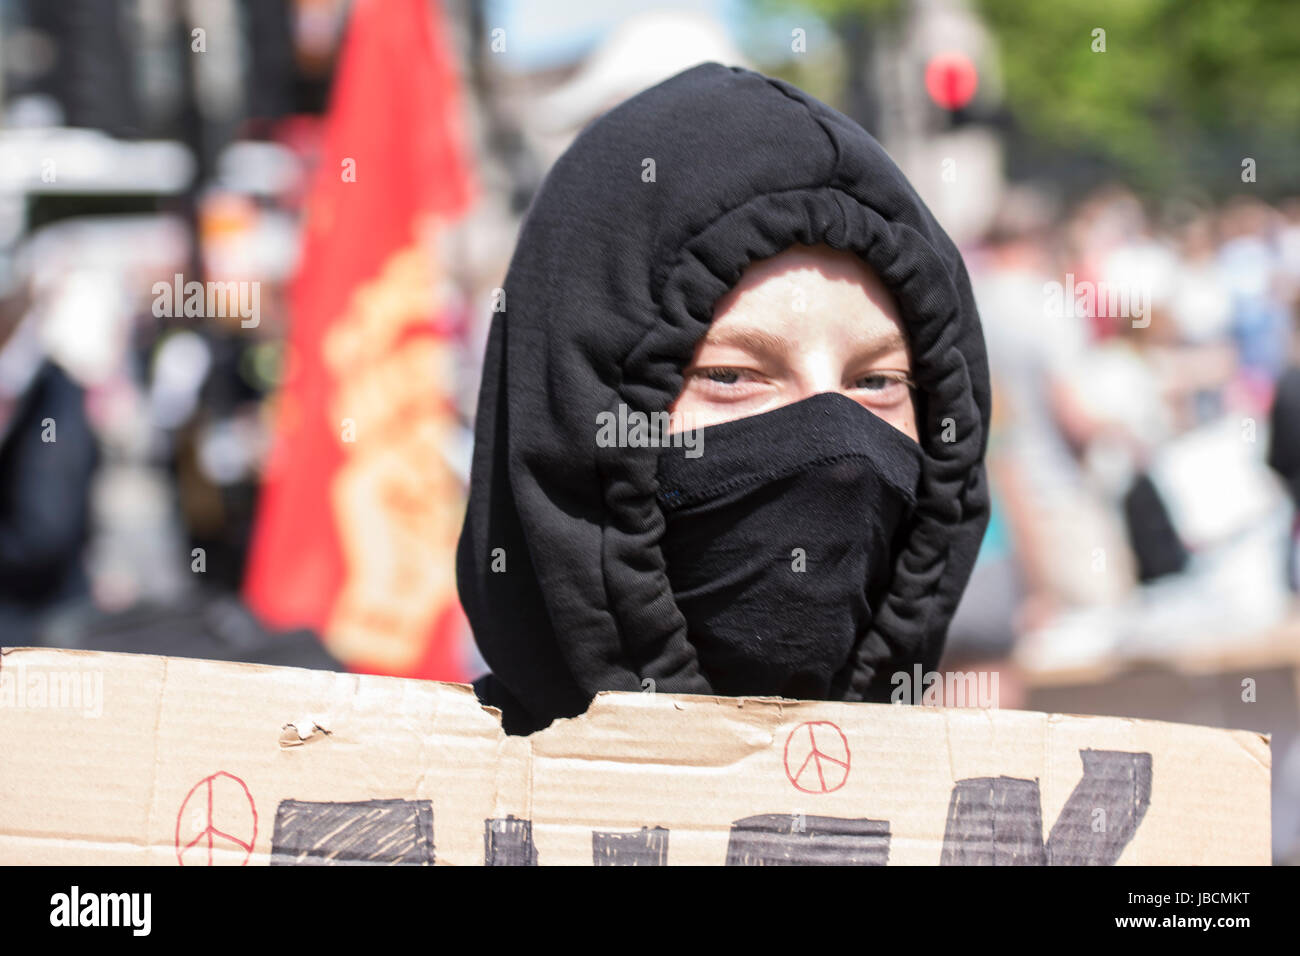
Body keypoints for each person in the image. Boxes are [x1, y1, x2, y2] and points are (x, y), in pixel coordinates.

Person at [457, 63, 991, 735]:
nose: (840, 447)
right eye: (732, 376)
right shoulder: (388, 787)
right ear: (572, 413)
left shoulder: (998, 796)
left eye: (876, 382)